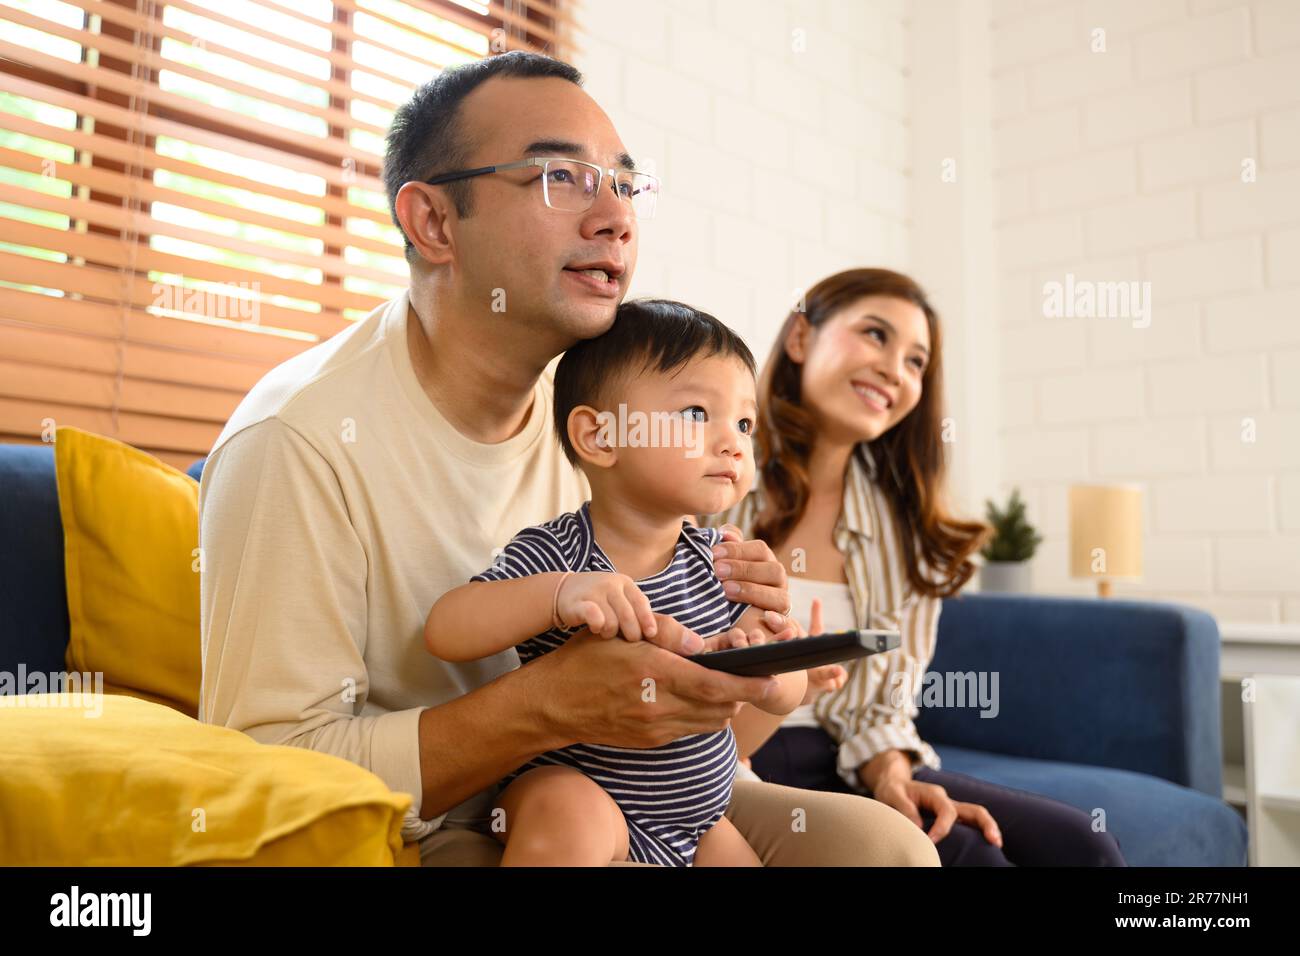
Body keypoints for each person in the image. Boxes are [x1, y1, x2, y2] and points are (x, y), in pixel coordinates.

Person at [198, 53, 939, 867]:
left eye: (626, 185)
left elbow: (706, 728)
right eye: (561, 177)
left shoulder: (615, 418)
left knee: (885, 850)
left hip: (652, 790)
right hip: (459, 816)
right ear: (434, 223)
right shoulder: (296, 438)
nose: (616, 217)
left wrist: (750, 666)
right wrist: (544, 709)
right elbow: (265, 774)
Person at [708, 267, 1127, 866]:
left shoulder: (901, 525)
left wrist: (889, 772)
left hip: (851, 754)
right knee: (977, 860)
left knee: (1083, 847)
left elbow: (887, 701)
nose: (894, 369)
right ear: (800, 339)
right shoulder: (716, 476)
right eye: (875, 335)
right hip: (744, 758)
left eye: (916, 362)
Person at [427, 299, 807, 866]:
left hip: (697, 819)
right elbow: (446, 629)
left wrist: (765, 669)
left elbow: (784, 693)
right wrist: (558, 596)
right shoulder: (562, 553)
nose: (733, 442)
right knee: (568, 816)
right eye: (698, 415)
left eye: (744, 423)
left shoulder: (723, 561)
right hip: (578, 791)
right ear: (600, 436)